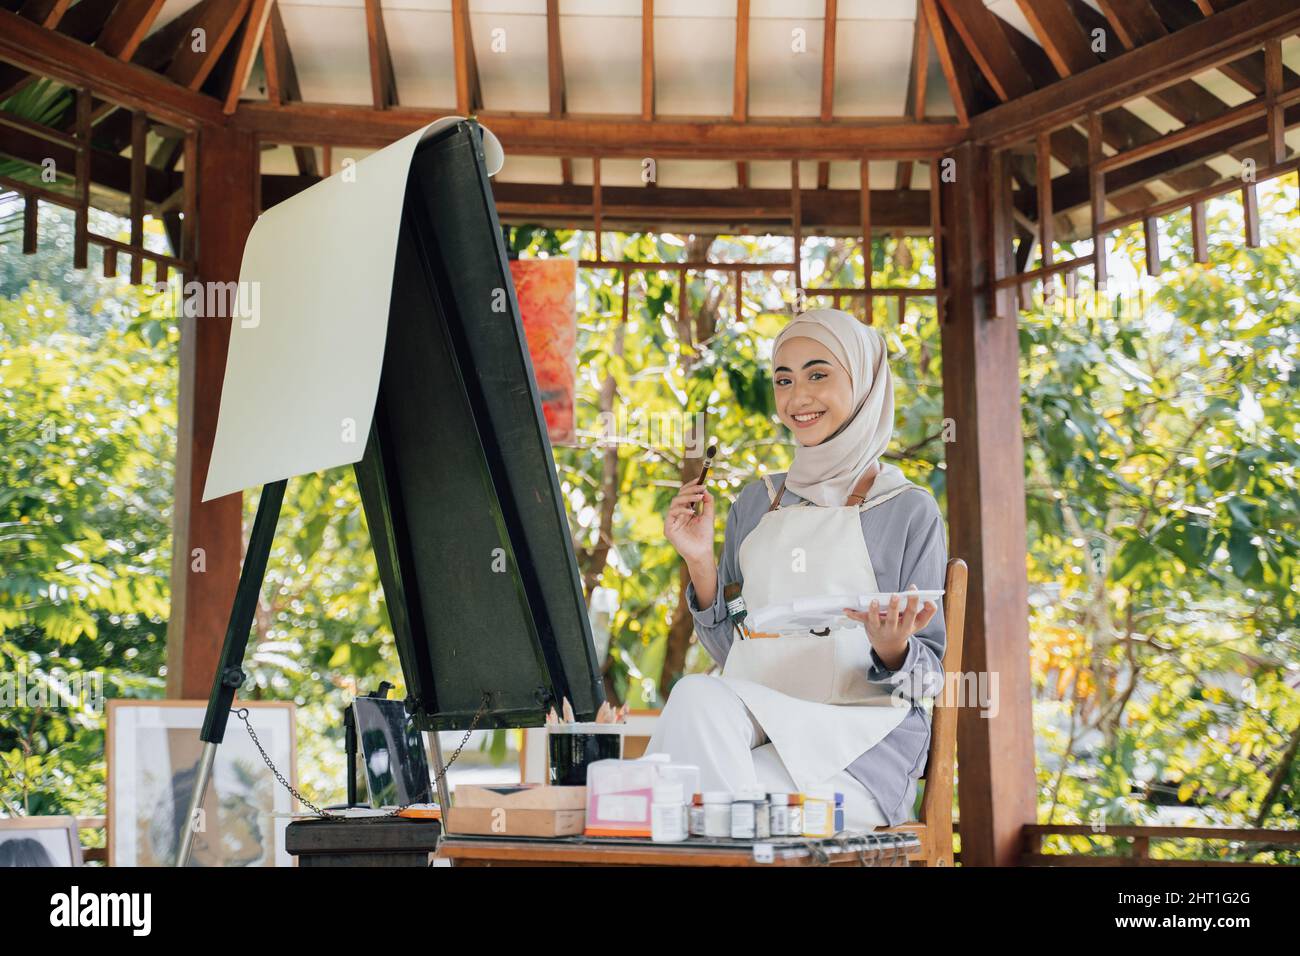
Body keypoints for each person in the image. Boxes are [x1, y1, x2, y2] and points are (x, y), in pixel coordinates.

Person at [648, 308, 948, 831]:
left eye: (818, 374)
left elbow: (929, 678)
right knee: (695, 698)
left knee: (692, 806)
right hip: (760, 725)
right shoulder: (754, 504)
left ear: (864, 383)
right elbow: (734, 653)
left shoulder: (907, 509)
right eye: (783, 379)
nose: (797, 397)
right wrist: (699, 561)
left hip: (859, 751)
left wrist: (892, 647)